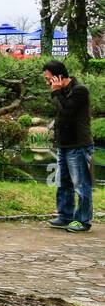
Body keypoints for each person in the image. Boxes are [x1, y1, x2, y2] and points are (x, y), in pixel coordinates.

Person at [44, 60, 92, 232]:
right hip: (63, 145)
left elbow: (67, 112)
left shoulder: (79, 90)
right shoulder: (62, 92)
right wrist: (58, 92)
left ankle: (83, 220)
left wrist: (56, 92)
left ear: (59, 76)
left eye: (49, 79)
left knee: (81, 184)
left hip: (78, 145)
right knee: (63, 183)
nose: (48, 83)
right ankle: (65, 216)